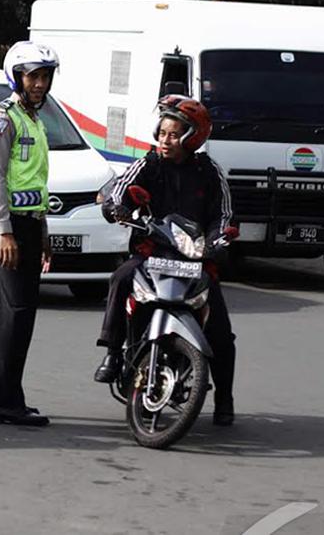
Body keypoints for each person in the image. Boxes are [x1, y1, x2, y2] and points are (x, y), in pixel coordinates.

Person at [92, 94, 237, 426]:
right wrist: (119, 208)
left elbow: (224, 214)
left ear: (192, 137)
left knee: (221, 332)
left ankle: (225, 397)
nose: (165, 141)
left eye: (173, 134)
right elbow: (119, 191)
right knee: (121, 278)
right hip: (152, 252)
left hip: (196, 259)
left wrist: (219, 239)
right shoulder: (148, 164)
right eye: (162, 133)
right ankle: (114, 353)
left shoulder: (209, 171)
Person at [0, 41, 58, 427]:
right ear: (17, 77)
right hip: (9, 228)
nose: (40, 84)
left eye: (45, 76)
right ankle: (6, 402)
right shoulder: (3, 119)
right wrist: (5, 232)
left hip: (29, 224)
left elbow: (34, 180)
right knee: (18, 314)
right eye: (34, 76)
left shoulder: (34, 119)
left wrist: (42, 230)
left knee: (4, 314)